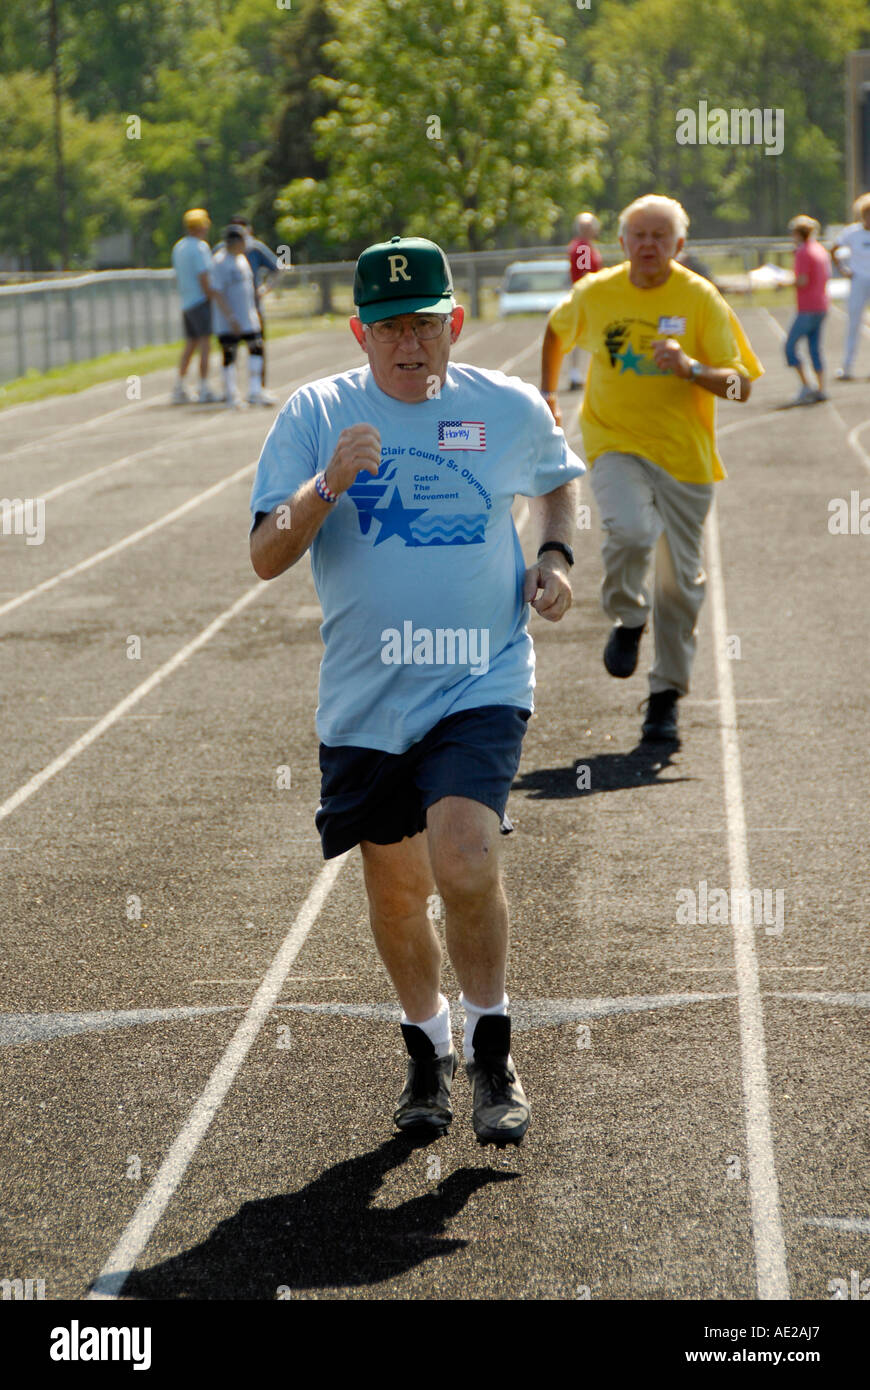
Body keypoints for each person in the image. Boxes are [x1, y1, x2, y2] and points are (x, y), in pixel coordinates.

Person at [249, 235, 584, 1144]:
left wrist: (553, 556)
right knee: (397, 893)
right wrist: (326, 486)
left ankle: (492, 1047)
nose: (410, 345)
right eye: (391, 327)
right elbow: (266, 554)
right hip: (366, 697)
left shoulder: (504, 407)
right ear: (360, 332)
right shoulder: (317, 413)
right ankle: (424, 1052)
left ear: (455, 324)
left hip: (481, 675)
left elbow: (555, 484)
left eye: (426, 325)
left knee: (465, 856)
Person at [540, 194, 763, 747]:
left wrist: (692, 368)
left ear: (680, 245)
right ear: (621, 243)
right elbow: (555, 329)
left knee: (680, 586)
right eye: (638, 234)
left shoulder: (700, 298)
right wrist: (548, 394)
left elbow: (742, 386)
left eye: (661, 236)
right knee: (631, 530)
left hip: (686, 459)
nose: (648, 245)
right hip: (615, 441)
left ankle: (664, 699)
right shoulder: (597, 292)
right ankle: (627, 615)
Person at [170, 209, 237, 405]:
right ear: (201, 226)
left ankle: (179, 385)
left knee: (190, 344)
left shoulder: (179, 247)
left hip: (186, 301)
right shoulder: (200, 247)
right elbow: (204, 278)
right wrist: (213, 297)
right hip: (200, 301)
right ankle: (204, 387)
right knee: (205, 345)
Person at [210, 226, 274, 408]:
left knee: (256, 349)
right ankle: (231, 394)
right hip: (229, 321)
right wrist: (231, 318)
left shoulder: (242, 259)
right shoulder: (220, 262)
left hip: (248, 317)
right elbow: (217, 292)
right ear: (236, 242)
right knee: (229, 354)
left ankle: (255, 391)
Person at [228, 215, 283, 388]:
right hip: (232, 309)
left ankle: (258, 387)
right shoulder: (223, 252)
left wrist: (265, 289)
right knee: (230, 349)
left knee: (257, 346)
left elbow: (279, 268)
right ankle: (231, 388)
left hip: (253, 307)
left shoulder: (255, 249)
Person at [783, 216, 830, 406]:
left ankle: (806, 385)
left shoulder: (803, 252)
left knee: (789, 346)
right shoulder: (819, 249)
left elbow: (802, 280)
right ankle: (820, 388)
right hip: (822, 304)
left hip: (808, 307)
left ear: (797, 233)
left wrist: (783, 282)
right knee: (814, 349)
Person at [830, 192, 870, 380]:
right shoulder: (852, 232)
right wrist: (843, 269)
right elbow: (834, 248)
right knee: (853, 323)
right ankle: (847, 367)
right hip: (858, 280)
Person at [566, 213, 603, 389]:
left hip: (588, 296)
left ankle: (579, 373)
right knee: (582, 335)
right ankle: (576, 373)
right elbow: (583, 275)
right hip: (586, 297)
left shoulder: (585, 246)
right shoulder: (582, 247)